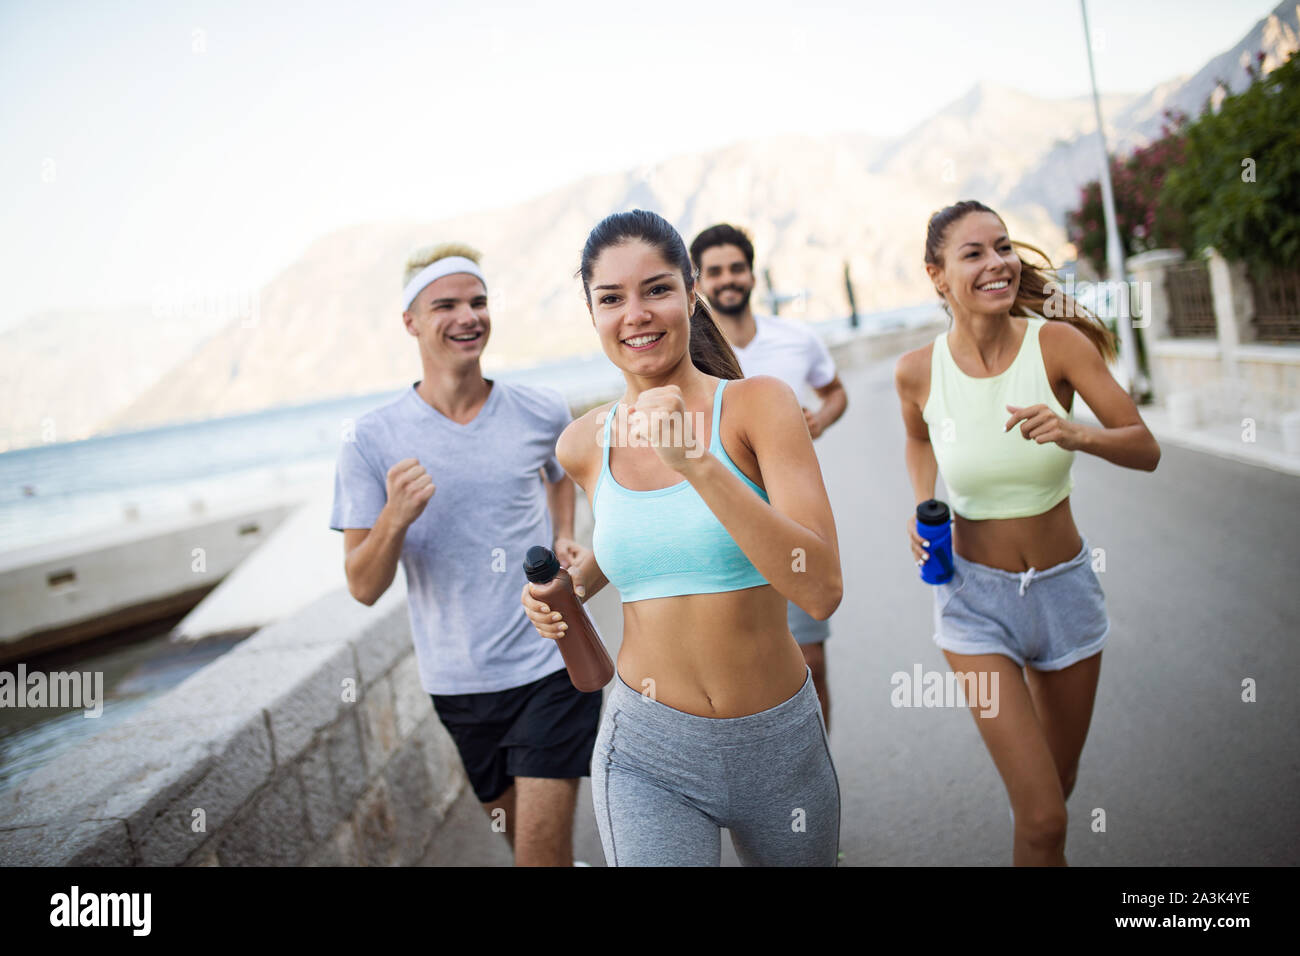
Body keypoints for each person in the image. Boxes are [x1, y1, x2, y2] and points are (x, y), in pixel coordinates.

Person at [521, 209, 842, 866]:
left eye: (657, 289)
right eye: (611, 298)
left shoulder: (760, 406)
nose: (634, 313)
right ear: (592, 314)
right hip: (646, 752)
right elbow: (645, 548)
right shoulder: (582, 443)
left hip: (778, 743)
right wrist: (568, 589)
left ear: (690, 296)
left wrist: (698, 465)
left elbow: (820, 588)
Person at [893, 200, 1160, 866]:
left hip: (1065, 593)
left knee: (1056, 797)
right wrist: (921, 502)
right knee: (1042, 818)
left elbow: (1145, 447)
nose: (998, 263)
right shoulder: (918, 370)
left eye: (1004, 247)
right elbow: (916, 436)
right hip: (972, 602)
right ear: (937, 275)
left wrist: (1078, 433)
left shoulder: (1058, 345)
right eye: (974, 253)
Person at [330, 242, 601, 867]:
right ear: (410, 322)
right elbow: (362, 585)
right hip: (458, 683)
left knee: (535, 858)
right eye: (445, 304)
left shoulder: (539, 409)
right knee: (523, 845)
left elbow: (560, 472)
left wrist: (563, 528)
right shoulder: (371, 440)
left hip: (551, 661)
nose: (468, 316)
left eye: (478, 302)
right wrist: (395, 517)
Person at [689, 222, 848, 731]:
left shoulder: (796, 339)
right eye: (714, 271)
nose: (728, 279)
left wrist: (818, 420)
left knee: (810, 665)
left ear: (752, 274)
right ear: (695, 282)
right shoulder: (683, 355)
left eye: (737, 267)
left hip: (790, 525)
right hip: (713, 533)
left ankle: (811, 772)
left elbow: (835, 391)